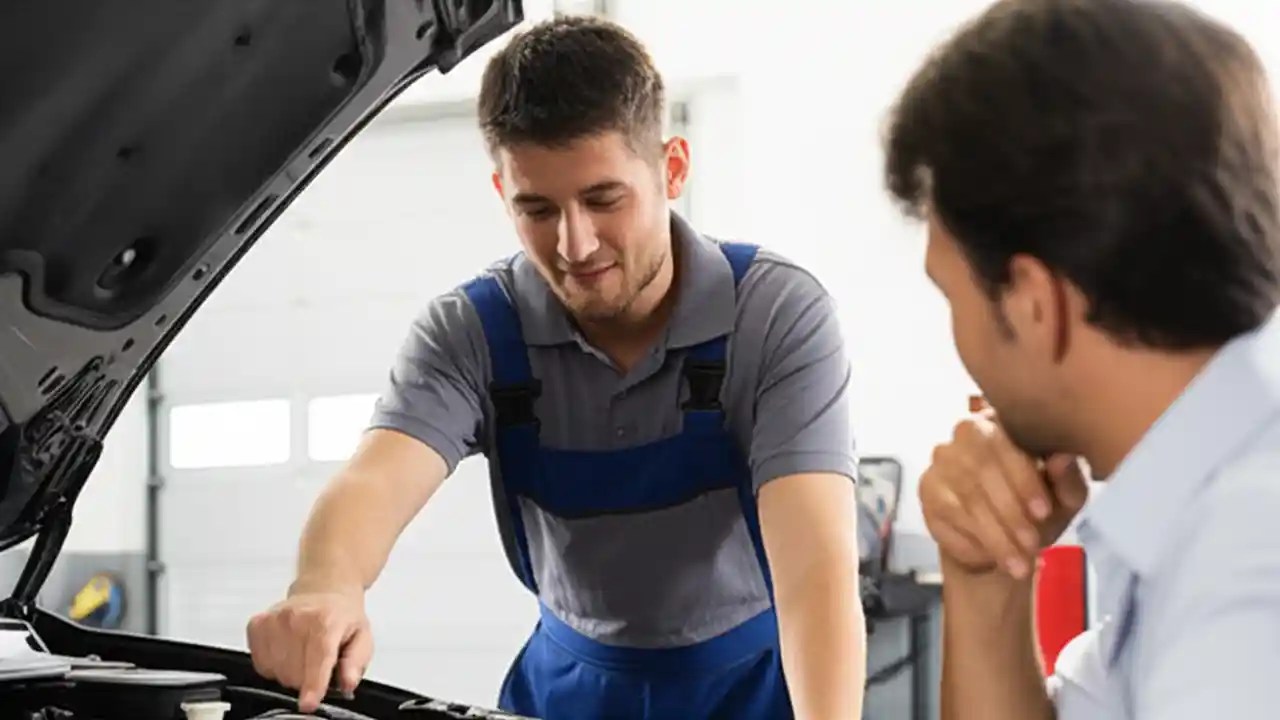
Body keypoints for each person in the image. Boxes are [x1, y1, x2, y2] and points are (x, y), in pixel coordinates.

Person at [246, 15, 867, 719]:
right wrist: (325, 587)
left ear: (672, 168)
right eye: (536, 208)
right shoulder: (473, 332)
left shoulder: (775, 315)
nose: (575, 244)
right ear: (500, 192)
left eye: (603, 200)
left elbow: (817, 578)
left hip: (755, 691)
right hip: (564, 696)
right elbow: (375, 478)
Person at [881, 0, 1280, 717]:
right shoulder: (1192, 511)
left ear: (1034, 304)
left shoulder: (1245, 578)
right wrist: (983, 575)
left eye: (953, 297)